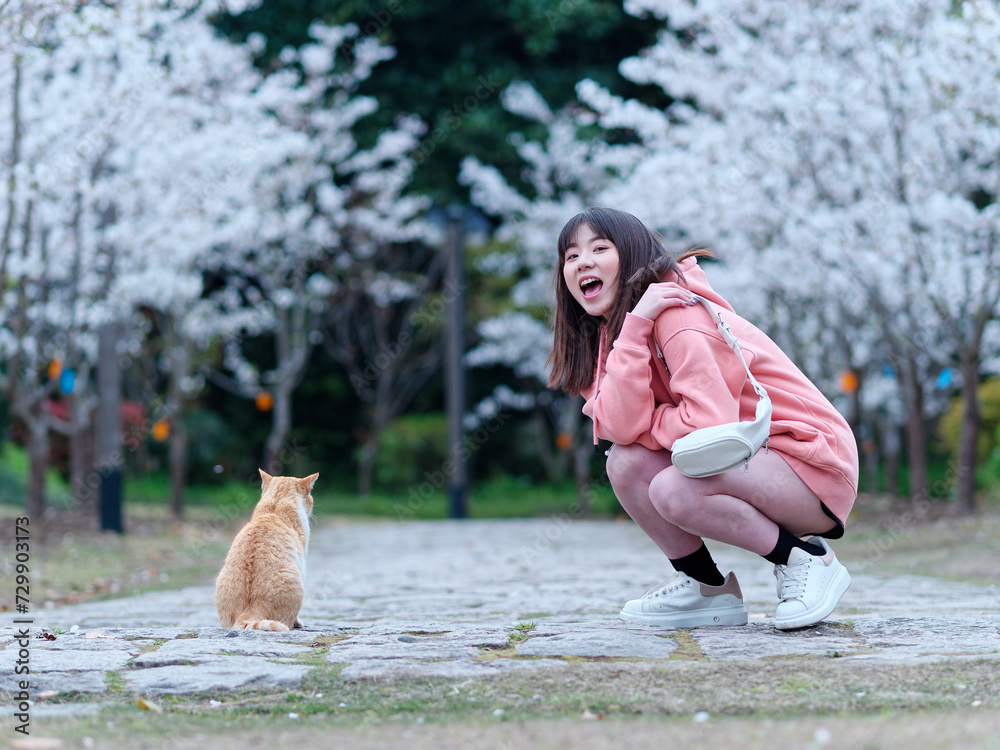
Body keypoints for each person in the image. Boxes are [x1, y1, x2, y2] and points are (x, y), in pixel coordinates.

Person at [548, 207, 859, 630]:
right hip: (749, 461)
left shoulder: (679, 313)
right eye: (571, 256)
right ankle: (705, 588)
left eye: (599, 248)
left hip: (809, 462)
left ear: (633, 254)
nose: (583, 261)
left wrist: (649, 424)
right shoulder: (610, 339)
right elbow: (619, 432)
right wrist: (636, 328)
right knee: (626, 462)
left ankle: (806, 560)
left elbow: (709, 426)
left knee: (672, 488)